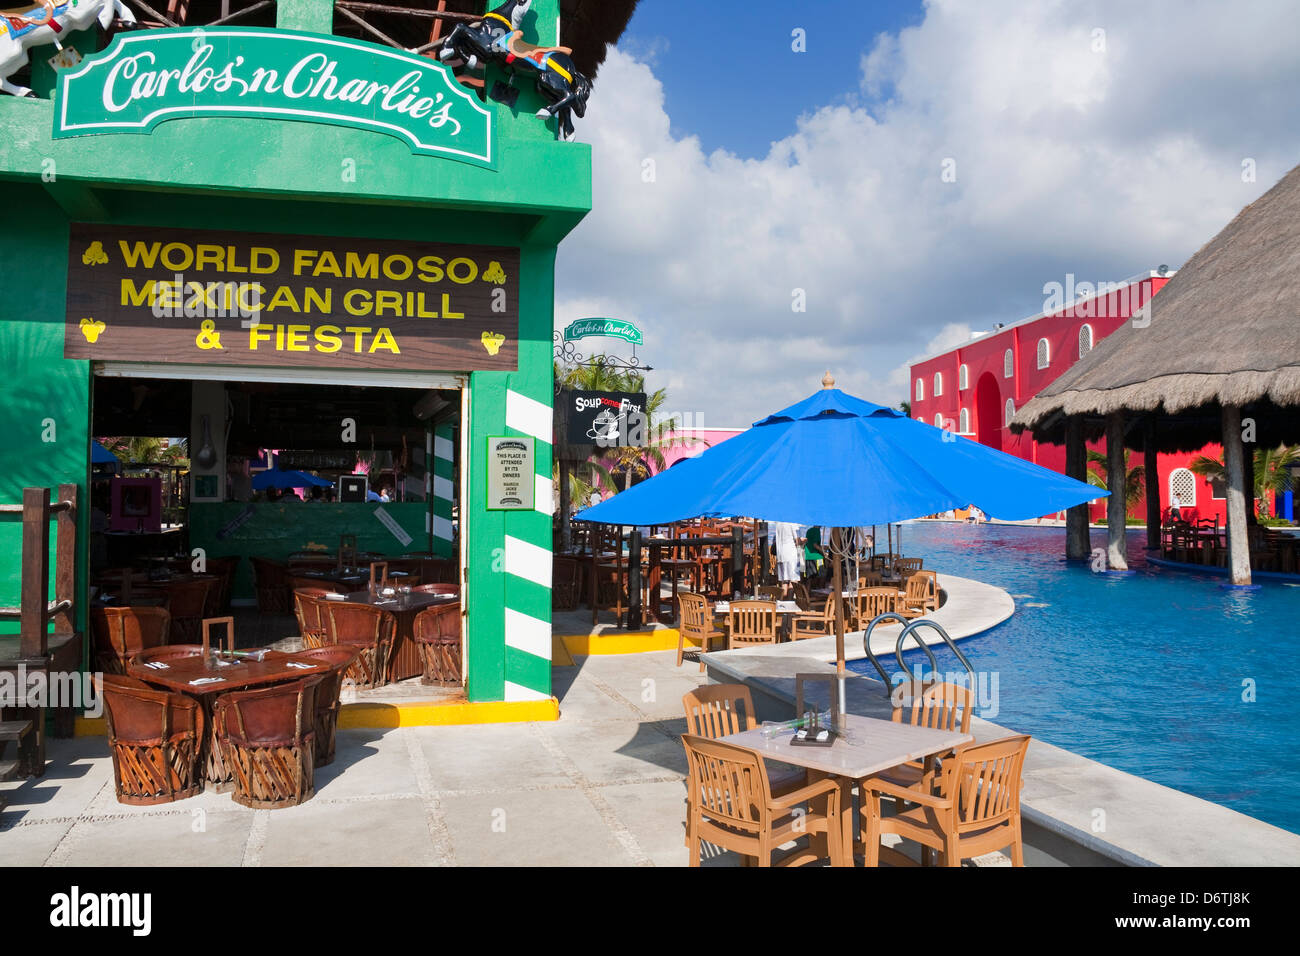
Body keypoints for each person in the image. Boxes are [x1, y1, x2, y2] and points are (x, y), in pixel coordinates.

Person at [771, 521, 804, 598]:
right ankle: (790, 602)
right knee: (793, 581)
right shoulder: (792, 523)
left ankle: (783, 603)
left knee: (784, 581)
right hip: (791, 555)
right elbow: (797, 541)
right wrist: (804, 541)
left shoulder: (778, 523)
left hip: (781, 555)